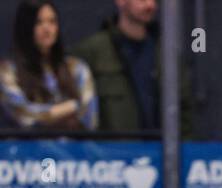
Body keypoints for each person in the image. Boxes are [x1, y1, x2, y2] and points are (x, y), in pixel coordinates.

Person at [72, 0, 192, 135]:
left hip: (163, 151)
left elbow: (184, 109)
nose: (150, 5)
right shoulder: (93, 52)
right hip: (112, 152)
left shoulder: (166, 54)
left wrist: (185, 147)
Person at [0, 1, 96, 130]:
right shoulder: (7, 71)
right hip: (28, 148)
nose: (47, 28)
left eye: (52, 21)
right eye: (38, 22)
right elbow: (24, 116)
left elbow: (89, 119)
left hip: (73, 147)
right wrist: (69, 107)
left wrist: (47, 117)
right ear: (25, 27)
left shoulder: (77, 68)